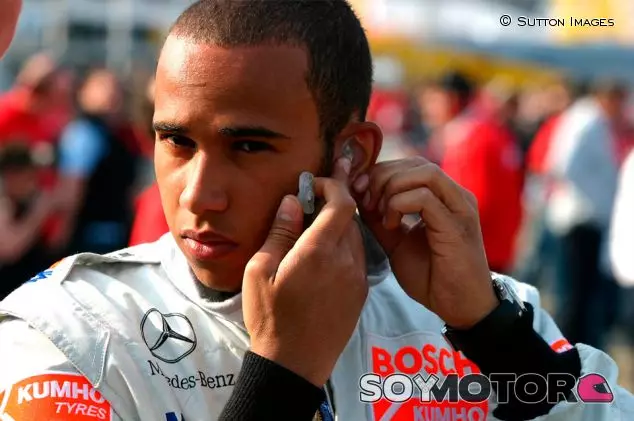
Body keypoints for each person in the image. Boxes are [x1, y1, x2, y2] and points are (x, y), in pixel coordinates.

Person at [1, 2, 633, 421]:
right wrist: (280, 379)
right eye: (177, 141)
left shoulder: (469, 317)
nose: (197, 194)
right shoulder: (66, 333)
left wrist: (489, 332)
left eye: (248, 146)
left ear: (351, 154)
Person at [52, 69, 139, 255]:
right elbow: (72, 186)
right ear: (84, 93)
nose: (111, 92)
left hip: (117, 232)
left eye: (115, 87)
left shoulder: (122, 135)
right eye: (101, 86)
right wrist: (62, 233)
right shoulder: (83, 132)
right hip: (87, 236)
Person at [0, 142, 56, 299]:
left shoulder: (38, 198)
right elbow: (10, 250)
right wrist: (38, 213)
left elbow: (56, 241)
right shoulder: (5, 203)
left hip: (35, 283)